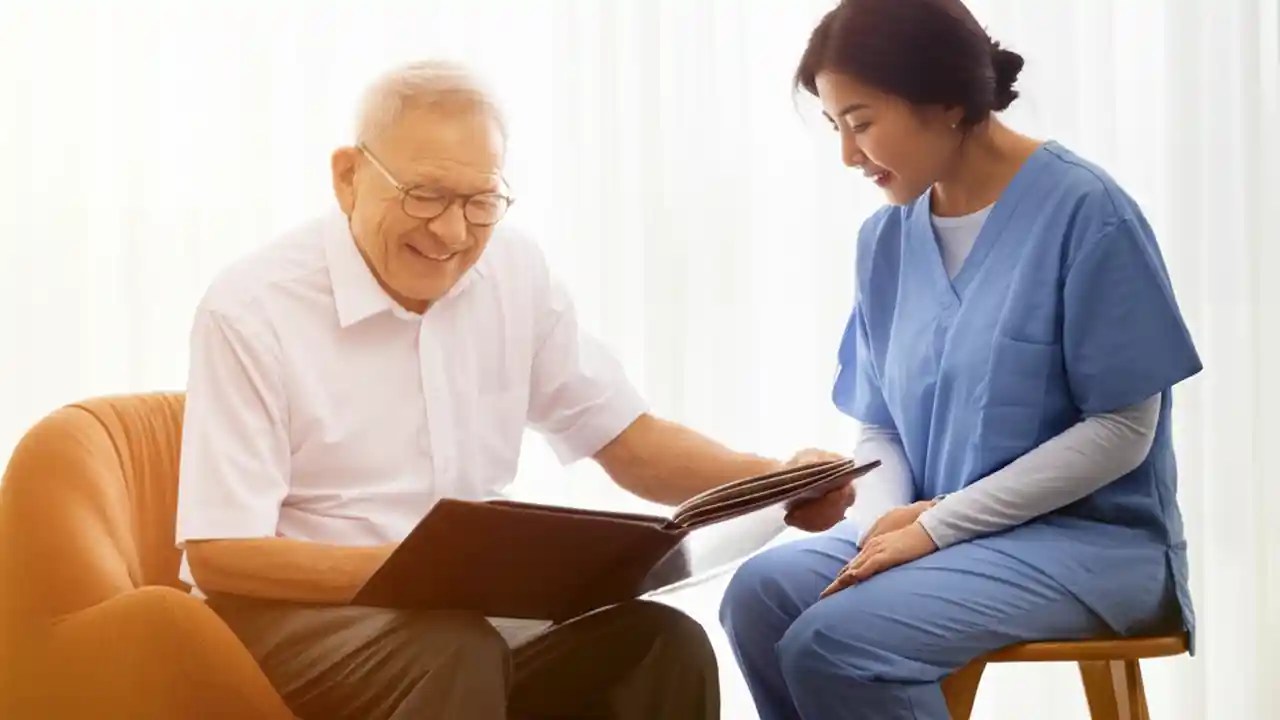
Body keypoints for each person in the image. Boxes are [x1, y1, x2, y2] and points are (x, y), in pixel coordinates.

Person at [175, 59, 851, 720]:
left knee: (660, 643)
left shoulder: (512, 271)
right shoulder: (252, 307)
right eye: (424, 195)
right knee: (452, 649)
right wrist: (416, 573)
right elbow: (220, 556)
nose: (451, 232)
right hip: (290, 624)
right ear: (348, 176)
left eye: (479, 202)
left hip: (455, 619)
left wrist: (778, 483)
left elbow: (628, 442)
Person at [718, 1, 1203, 718]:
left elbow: (1122, 430)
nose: (847, 155)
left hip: (1092, 545)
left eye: (860, 122)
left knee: (838, 641)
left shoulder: (1088, 212)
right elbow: (880, 425)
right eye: (834, 127)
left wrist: (935, 528)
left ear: (945, 100)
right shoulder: (885, 241)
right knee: (760, 596)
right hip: (934, 532)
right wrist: (885, 527)